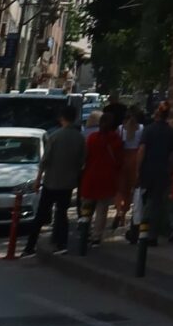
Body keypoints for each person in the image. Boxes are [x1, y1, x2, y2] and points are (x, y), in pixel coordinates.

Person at [24, 103, 85, 254]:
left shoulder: (55, 136)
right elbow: (82, 160)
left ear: (62, 118)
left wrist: (38, 180)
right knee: (62, 213)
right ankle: (61, 244)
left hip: (51, 181)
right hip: (68, 182)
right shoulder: (80, 138)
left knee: (41, 215)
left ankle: (30, 247)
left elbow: (45, 160)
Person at [134, 99, 173, 240]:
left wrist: (137, 169)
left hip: (147, 169)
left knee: (145, 202)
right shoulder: (171, 132)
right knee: (157, 202)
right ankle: (154, 233)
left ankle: (143, 232)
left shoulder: (148, 130)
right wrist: (170, 171)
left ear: (156, 114)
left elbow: (142, 150)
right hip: (162, 171)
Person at [79, 103, 124, 242]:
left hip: (91, 176)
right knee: (102, 210)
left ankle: (84, 230)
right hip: (107, 178)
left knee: (87, 206)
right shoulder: (116, 140)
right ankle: (97, 235)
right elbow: (119, 160)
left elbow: (84, 157)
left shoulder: (92, 138)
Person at [114, 105, 143, 229]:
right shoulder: (141, 128)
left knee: (120, 188)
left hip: (123, 158)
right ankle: (126, 212)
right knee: (132, 189)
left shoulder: (120, 129)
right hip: (135, 158)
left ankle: (119, 211)